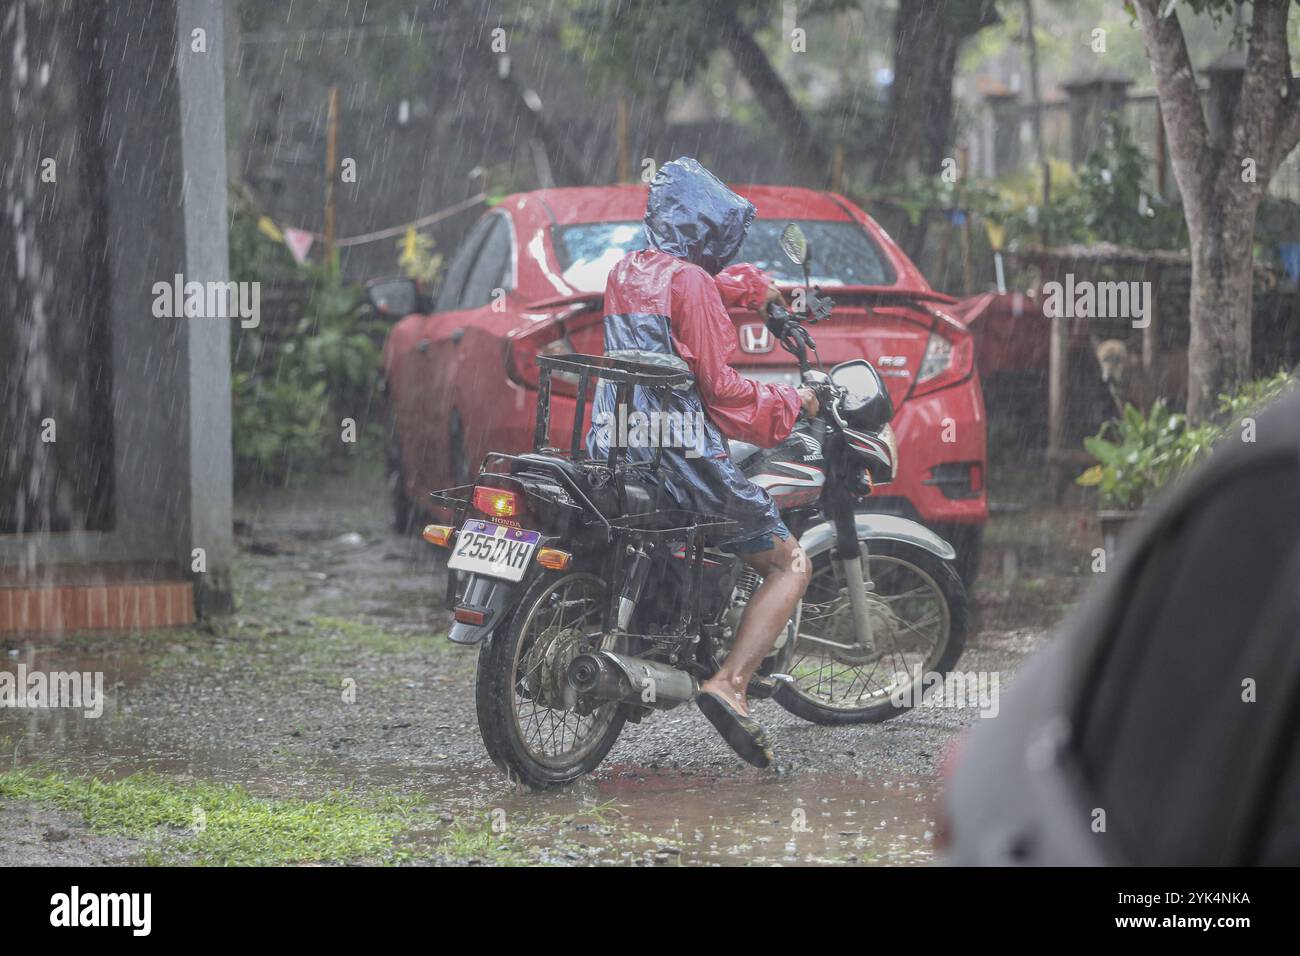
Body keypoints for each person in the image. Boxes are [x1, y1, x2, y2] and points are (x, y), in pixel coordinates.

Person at [587, 157, 818, 767]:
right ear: (712, 229)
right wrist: (795, 401)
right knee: (790, 561)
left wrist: (756, 289)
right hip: (678, 451)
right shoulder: (691, 283)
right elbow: (725, 395)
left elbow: (692, 287)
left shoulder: (626, 271)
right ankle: (731, 683)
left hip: (615, 436)